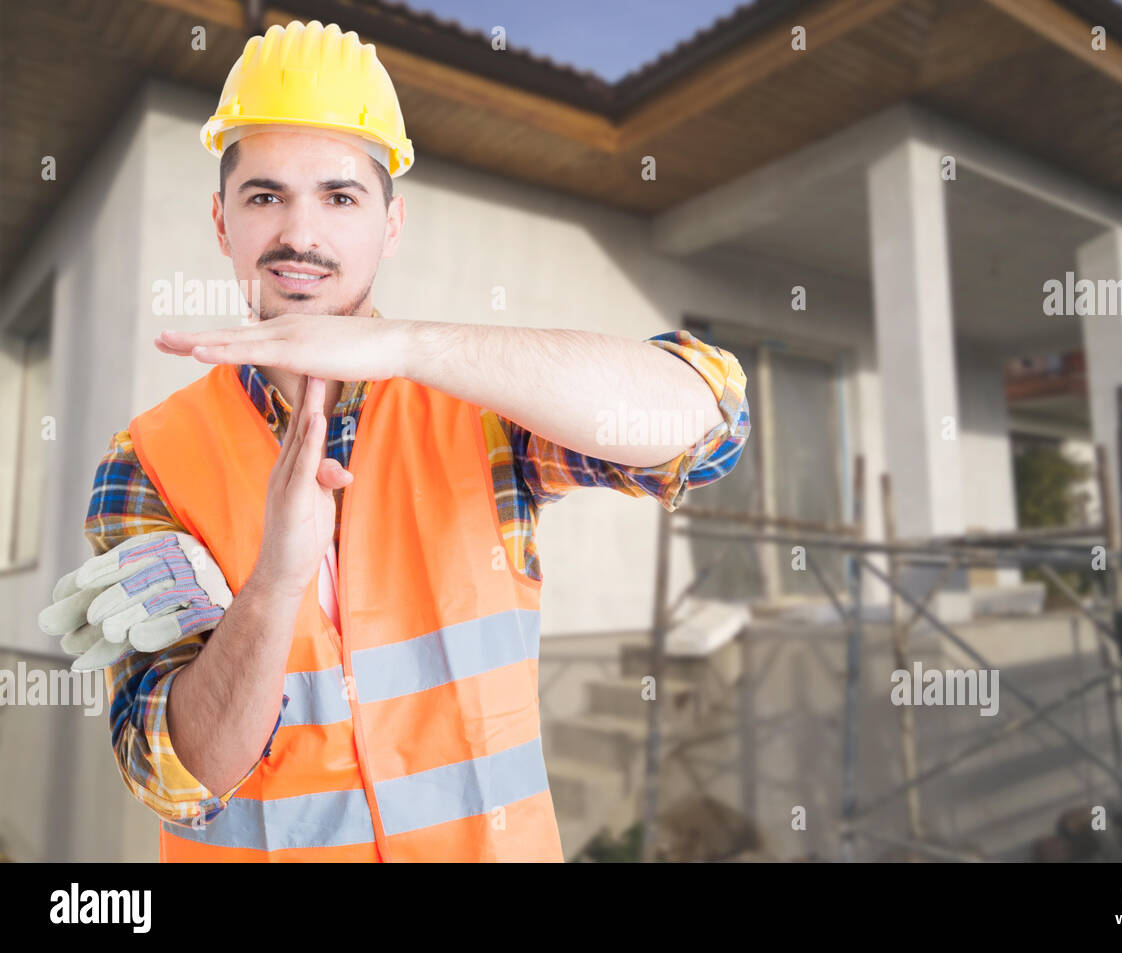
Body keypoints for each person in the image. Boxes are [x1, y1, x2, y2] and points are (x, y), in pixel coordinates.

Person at [67, 19, 749, 862]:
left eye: (341, 196)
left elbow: (706, 425)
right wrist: (275, 582)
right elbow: (175, 773)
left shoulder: (480, 411)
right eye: (265, 195)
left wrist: (414, 346)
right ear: (221, 222)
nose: (302, 235)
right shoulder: (148, 460)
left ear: (391, 225)